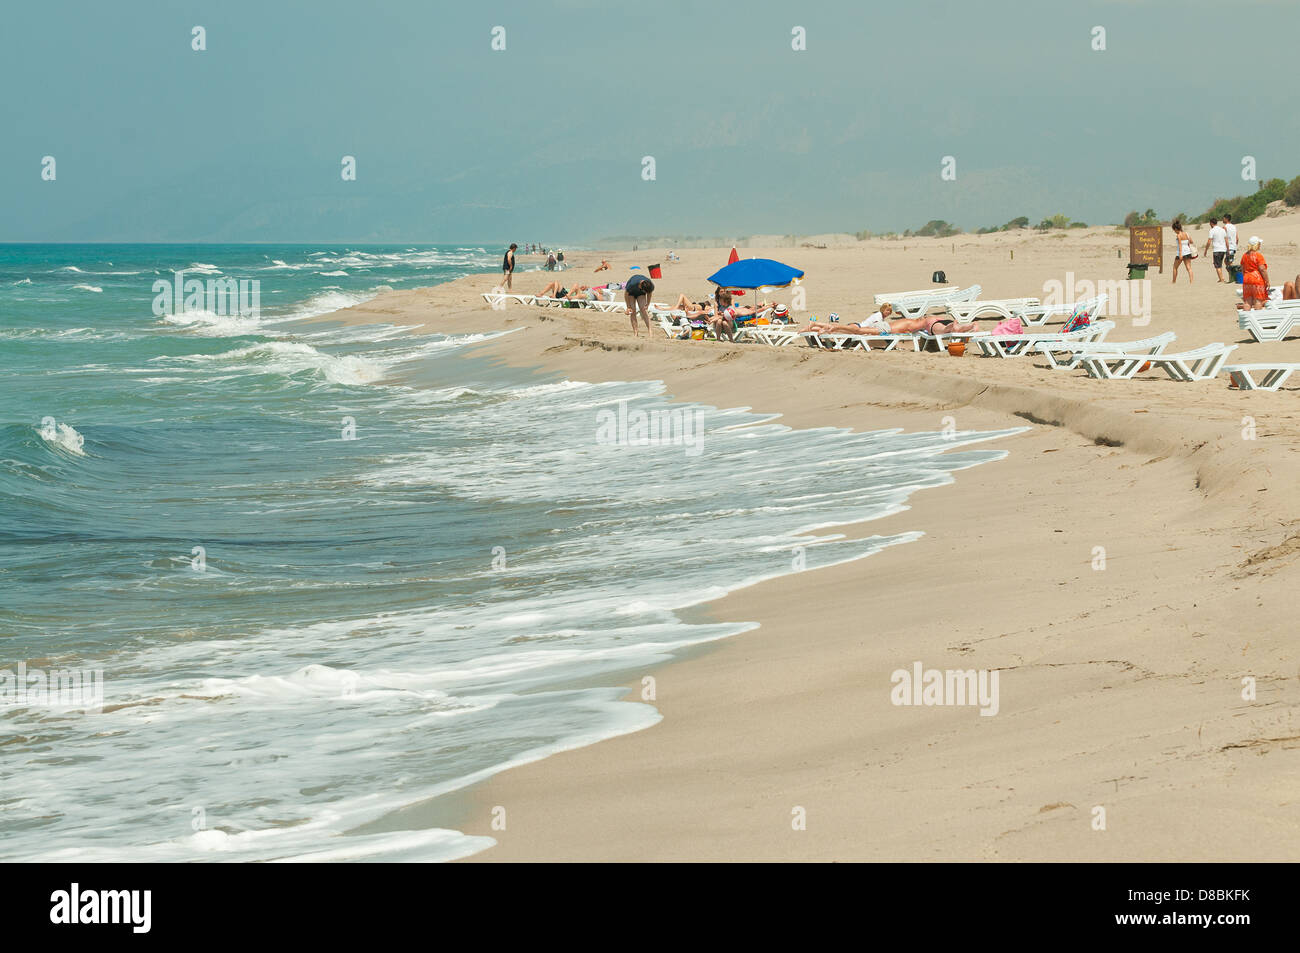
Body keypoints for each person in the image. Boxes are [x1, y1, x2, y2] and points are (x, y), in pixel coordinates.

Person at [1240, 237, 1271, 310]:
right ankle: (1256, 318)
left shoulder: (1244, 255)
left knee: (1247, 301)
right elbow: (1262, 269)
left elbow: (1242, 269)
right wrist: (1267, 281)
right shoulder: (1258, 255)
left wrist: (1245, 276)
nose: (1260, 245)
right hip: (1256, 279)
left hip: (1247, 278)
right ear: (1256, 245)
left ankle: (1247, 318)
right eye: (1259, 244)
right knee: (1258, 300)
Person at [1204, 217, 1228, 282]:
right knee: (1220, 264)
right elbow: (1226, 240)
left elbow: (1209, 241)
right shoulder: (1222, 230)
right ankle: (1221, 278)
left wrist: (1206, 250)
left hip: (1217, 250)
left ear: (1211, 223)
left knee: (1217, 265)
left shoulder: (1212, 230)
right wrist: (1227, 249)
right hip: (1223, 249)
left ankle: (1221, 279)